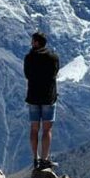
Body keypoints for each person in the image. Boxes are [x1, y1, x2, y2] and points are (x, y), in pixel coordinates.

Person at [24, 32, 60, 170]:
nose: (31, 43)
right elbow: (55, 73)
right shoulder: (53, 57)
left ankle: (35, 158)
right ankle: (45, 159)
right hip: (48, 98)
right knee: (47, 130)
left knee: (34, 129)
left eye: (33, 41)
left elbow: (27, 75)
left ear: (37, 43)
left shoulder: (29, 58)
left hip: (33, 97)